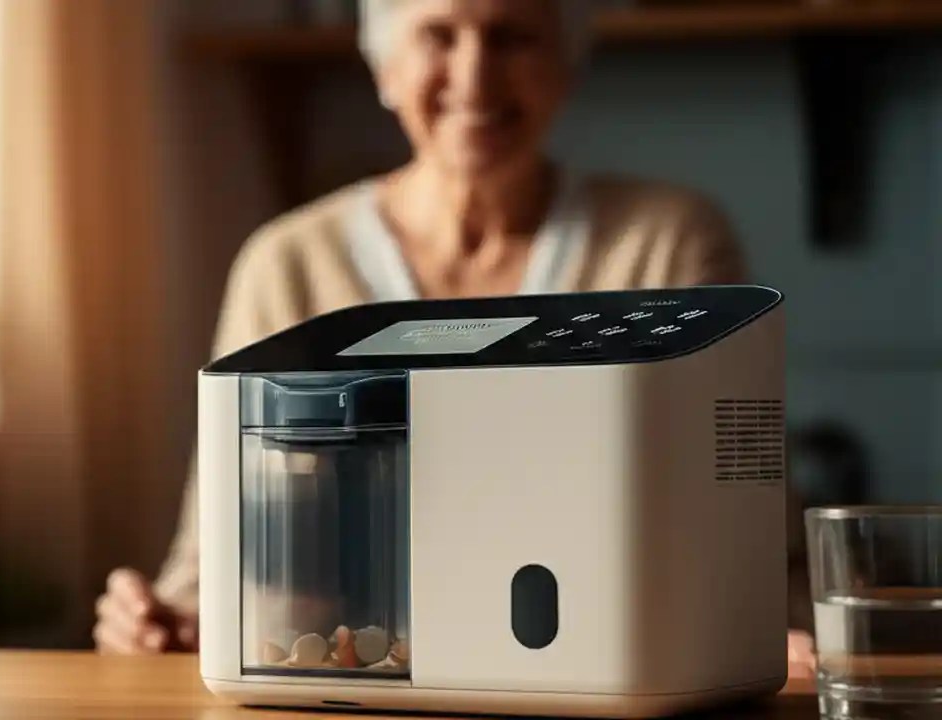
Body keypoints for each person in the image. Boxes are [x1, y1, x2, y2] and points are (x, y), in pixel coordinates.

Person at [94, 0, 816, 678]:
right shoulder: (287, 262)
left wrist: (756, 631)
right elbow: (220, 560)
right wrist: (156, 620)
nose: (474, 76)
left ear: (566, 62)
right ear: (384, 65)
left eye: (511, 35)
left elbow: (750, 532)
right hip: (349, 686)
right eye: (438, 35)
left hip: (607, 677)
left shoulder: (666, 242)